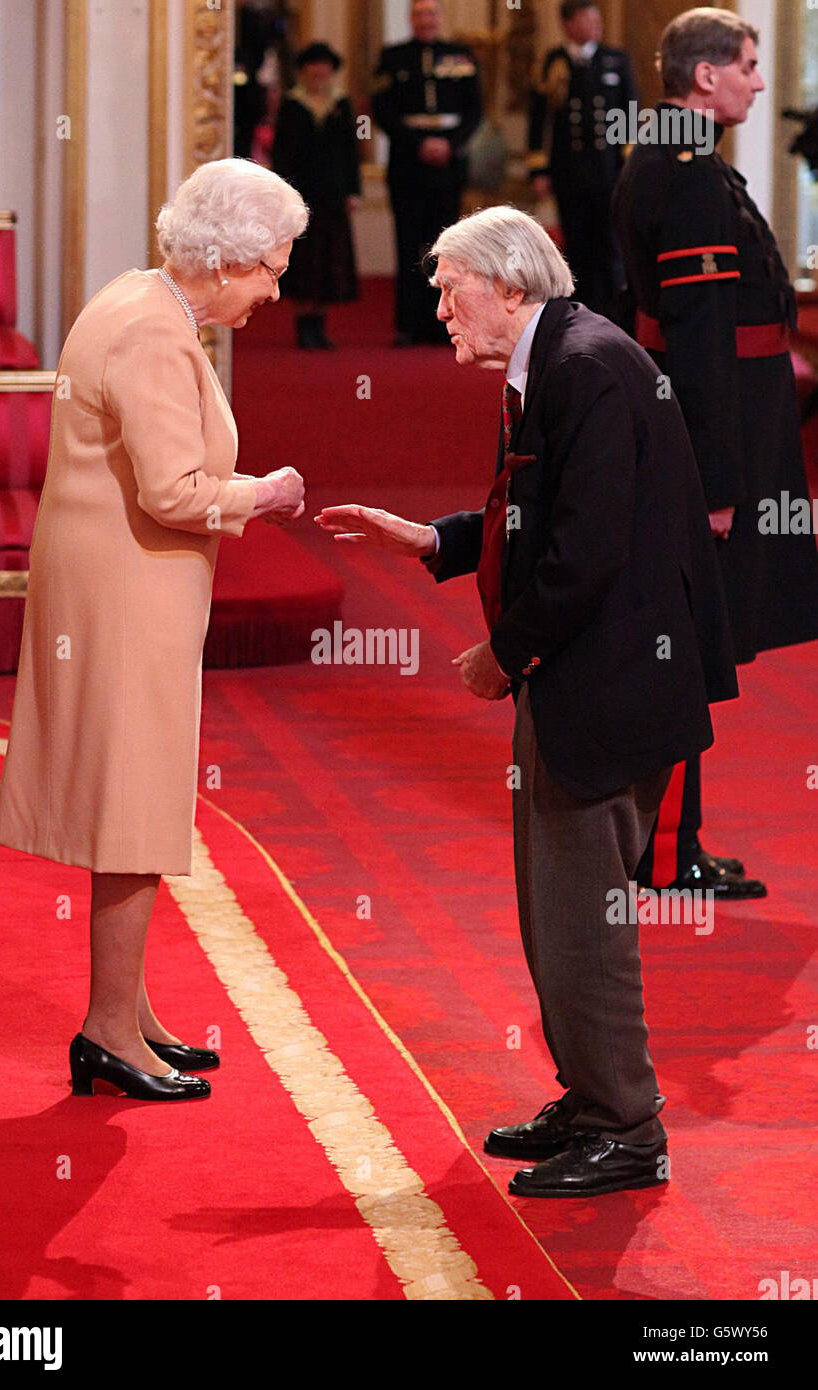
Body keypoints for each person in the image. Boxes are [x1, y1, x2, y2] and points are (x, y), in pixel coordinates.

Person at [316, 205, 738, 1198]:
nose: (434, 305)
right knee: (557, 912)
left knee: (581, 918)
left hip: (607, 681)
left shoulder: (582, 365)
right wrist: (431, 541)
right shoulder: (561, 356)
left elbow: (583, 553)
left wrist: (500, 656)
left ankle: (625, 1126)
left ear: (507, 286)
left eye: (446, 286)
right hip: (602, 671)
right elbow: (536, 513)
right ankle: (590, 1098)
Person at [0, 159, 308, 1102]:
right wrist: (268, 493)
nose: (276, 289)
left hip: (124, 583)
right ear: (225, 258)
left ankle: (128, 1011)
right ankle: (107, 1029)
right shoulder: (154, 333)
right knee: (132, 807)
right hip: (127, 592)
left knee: (142, 796)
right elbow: (174, 493)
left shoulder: (140, 299)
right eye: (271, 268)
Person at [613, 7, 818, 897]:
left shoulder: (672, 159)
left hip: (720, 428)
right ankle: (664, 851)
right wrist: (719, 483)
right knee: (684, 648)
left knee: (689, 644)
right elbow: (697, 340)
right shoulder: (688, 175)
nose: (758, 81)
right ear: (704, 77)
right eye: (746, 64)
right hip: (711, 447)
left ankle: (674, 839)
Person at [371, 0, 482, 345]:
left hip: (448, 165)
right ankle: (408, 324)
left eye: (432, 14)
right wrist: (418, 143)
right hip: (408, 163)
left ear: (440, 18)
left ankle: (442, 322)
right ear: (411, 19)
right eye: (420, 14)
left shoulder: (460, 56)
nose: (426, 20)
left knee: (446, 247)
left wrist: (450, 143)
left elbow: (475, 108)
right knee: (408, 244)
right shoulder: (393, 57)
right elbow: (382, 109)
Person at [527, 0, 636, 319]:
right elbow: (538, 120)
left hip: (608, 171)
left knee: (611, 245)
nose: (595, 25)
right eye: (587, 19)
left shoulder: (615, 60)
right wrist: (538, 167)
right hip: (568, 171)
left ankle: (614, 315)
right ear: (568, 24)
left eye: (597, 19)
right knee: (576, 245)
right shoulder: (552, 62)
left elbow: (629, 116)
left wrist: (627, 166)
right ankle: (579, 313)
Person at [272, 41, 361, 349]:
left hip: (333, 192)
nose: (319, 71)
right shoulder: (291, 105)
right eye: (313, 65)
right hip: (300, 191)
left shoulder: (342, 104)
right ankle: (302, 324)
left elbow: (351, 150)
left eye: (324, 65)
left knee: (329, 257)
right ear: (304, 69)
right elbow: (280, 151)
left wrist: (353, 189)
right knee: (302, 257)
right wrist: (281, 191)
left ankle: (320, 324)